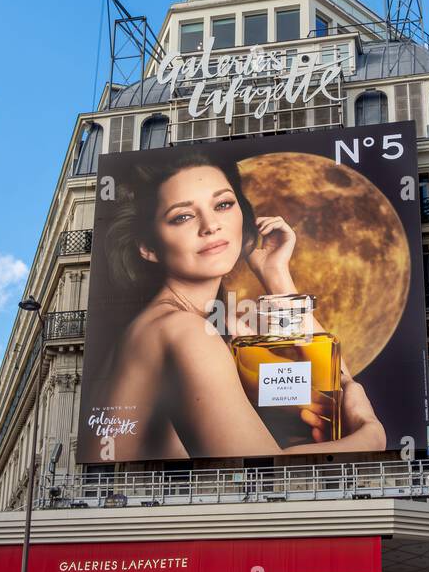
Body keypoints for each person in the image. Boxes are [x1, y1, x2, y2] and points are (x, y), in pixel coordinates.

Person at [93, 145, 386, 460]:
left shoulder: (216, 322)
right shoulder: (181, 330)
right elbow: (264, 470)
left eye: (222, 204)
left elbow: (332, 385)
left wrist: (276, 274)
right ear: (149, 248)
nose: (210, 226)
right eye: (182, 216)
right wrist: (372, 434)